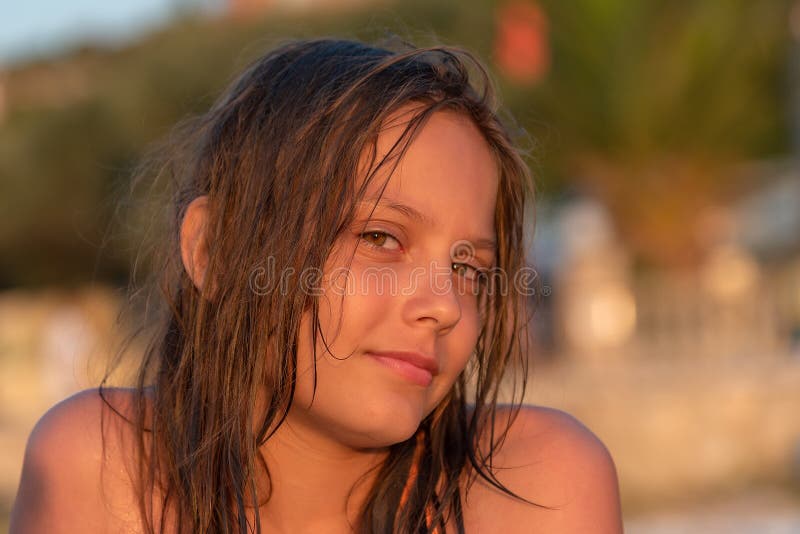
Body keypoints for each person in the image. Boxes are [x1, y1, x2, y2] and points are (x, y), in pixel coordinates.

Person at [10, 38, 622, 533]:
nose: (444, 305)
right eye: (382, 238)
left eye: (469, 269)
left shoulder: (537, 489)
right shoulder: (106, 471)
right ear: (216, 250)